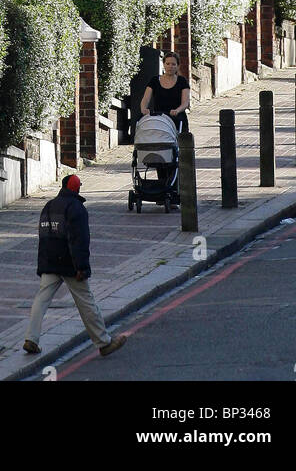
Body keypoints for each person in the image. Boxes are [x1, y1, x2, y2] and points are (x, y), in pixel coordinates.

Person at [23, 174, 127, 357]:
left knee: (41, 300)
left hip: (50, 261)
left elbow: (43, 238)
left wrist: (42, 265)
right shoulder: (76, 208)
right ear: (77, 188)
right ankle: (104, 342)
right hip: (70, 264)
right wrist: (82, 267)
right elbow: (79, 241)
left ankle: (31, 339)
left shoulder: (49, 206)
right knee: (87, 303)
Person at [140, 50, 190, 133]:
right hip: (159, 118)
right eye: (168, 64)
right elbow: (145, 99)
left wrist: (177, 110)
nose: (170, 66)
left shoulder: (182, 81)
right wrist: (143, 108)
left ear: (178, 66)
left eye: (173, 64)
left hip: (176, 117)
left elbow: (185, 103)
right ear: (163, 65)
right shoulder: (155, 80)